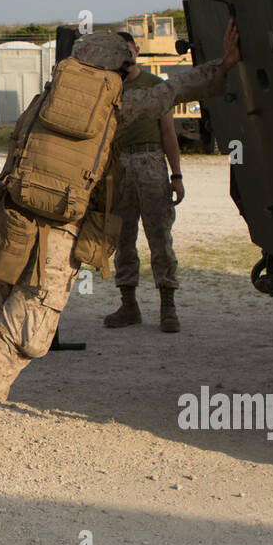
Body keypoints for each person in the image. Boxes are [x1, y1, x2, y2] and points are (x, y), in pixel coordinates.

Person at [0, 21, 241, 468]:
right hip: (58, 237)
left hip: (12, 224)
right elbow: (173, 91)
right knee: (22, 335)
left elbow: (10, 167)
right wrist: (224, 64)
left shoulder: (41, 103)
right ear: (120, 70)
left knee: (2, 325)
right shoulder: (117, 106)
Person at [104, 33, 185, 332]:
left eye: (128, 50)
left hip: (151, 162)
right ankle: (129, 305)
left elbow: (168, 132)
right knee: (123, 238)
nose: (125, 57)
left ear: (136, 50)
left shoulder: (155, 85)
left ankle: (168, 307)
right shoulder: (109, 87)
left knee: (159, 237)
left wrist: (176, 175)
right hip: (119, 165)